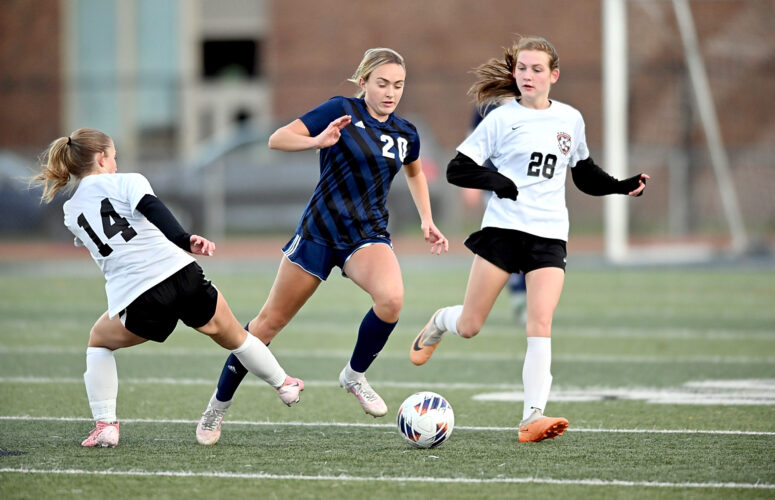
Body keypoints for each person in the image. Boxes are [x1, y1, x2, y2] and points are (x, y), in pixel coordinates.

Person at [195, 47, 448, 443]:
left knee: (392, 300)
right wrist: (318, 140)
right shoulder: (341, 109)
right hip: (318, 232)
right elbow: (278, 139)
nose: (390, 92)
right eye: (381, 83)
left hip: (367, 235)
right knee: (265, 327)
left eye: (398, 85)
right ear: (363, 81)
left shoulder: (405, 132)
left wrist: (427, 219)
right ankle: (216, 408)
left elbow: (414, 170)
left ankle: (354, 376)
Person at [409, 36, 649, 443]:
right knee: (470, 326)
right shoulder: (500, 118)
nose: (528, 76)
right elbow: (457, 170)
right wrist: (498, 181)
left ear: (554, 75)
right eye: (522, 68)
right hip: (504, 232)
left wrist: (621, 186)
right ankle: (439, 322)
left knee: (540, 323)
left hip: (550, 236)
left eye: (537, 69)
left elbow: (584, 174)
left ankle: (531, 417)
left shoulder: (570, 119)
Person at [33, 128, 304, 448]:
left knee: (99, 342)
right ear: (102, 157)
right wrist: (184, 239)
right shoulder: (128, 181)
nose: (116, 163)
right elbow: (154, 209)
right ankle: (283, 384)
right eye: (114, 156)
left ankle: (106, 424)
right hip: (180, 273)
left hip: (139, 296)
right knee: (237, 337)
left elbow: (96, 237)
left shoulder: (70, 212)